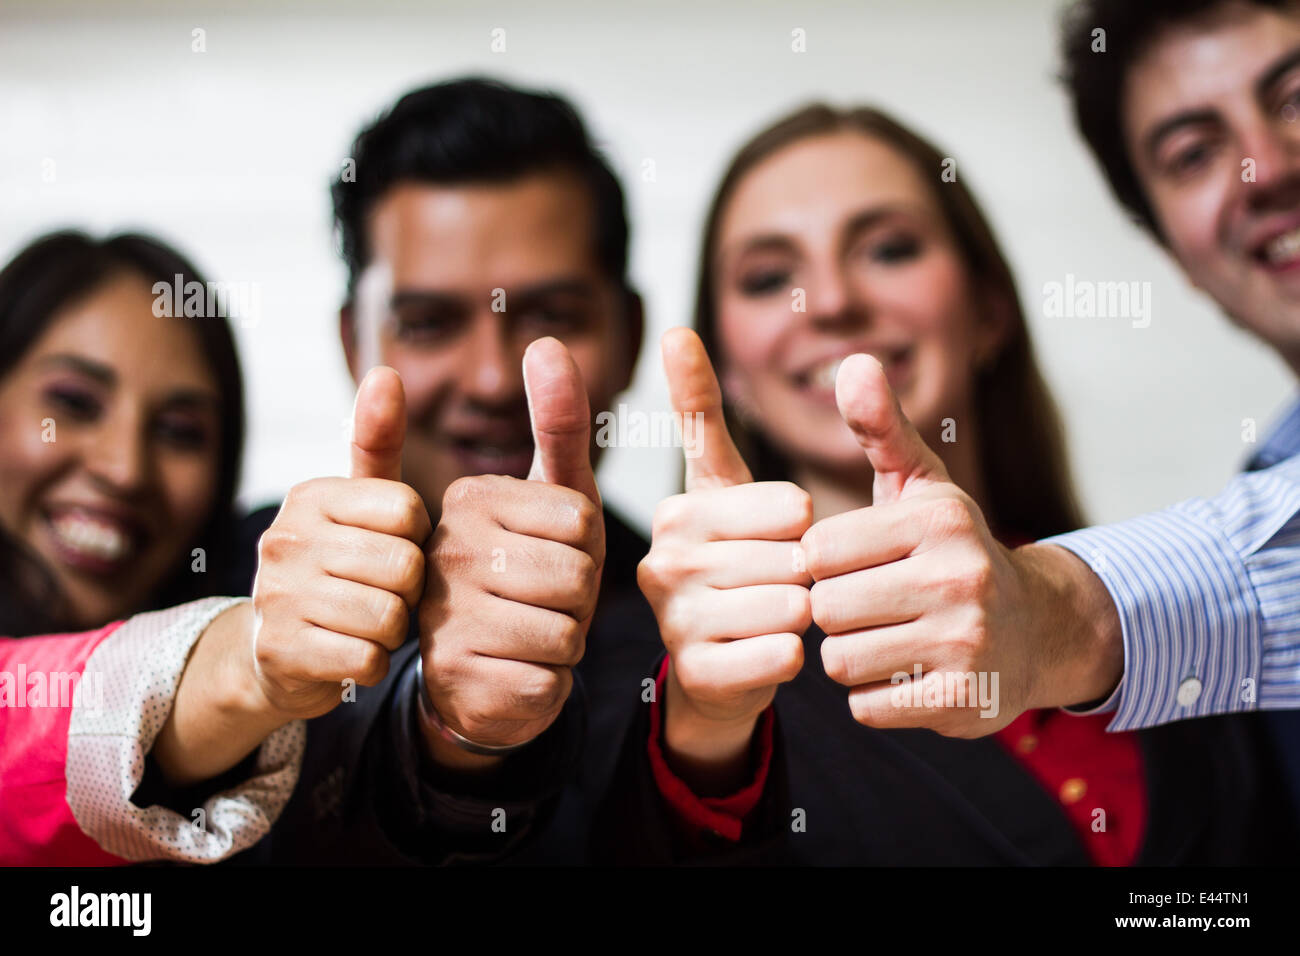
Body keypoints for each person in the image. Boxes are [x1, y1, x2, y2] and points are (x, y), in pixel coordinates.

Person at [595, 103, 1296, 864]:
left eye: (889, 249)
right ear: (730, 367)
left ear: (989, 311)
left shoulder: (1179, 611)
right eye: (769, 278)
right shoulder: (647, 675)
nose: (830, 302)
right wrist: (705, 728)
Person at [0, 231, 301, 864]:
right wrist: (226, 671)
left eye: (179, 431)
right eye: (75, 403)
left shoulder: (260, 566)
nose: (126, 469)